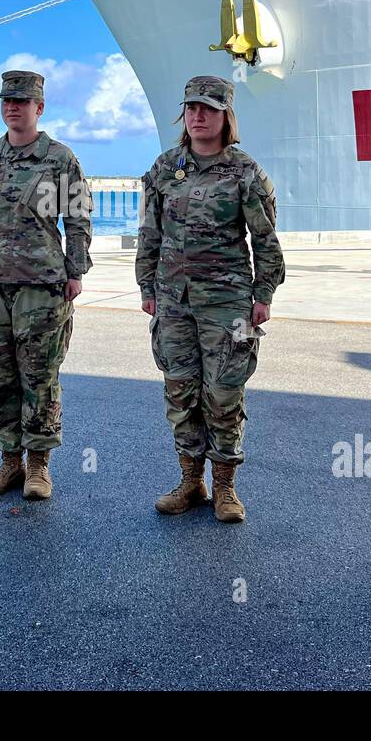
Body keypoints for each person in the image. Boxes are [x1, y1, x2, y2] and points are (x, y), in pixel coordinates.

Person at [136, 75, 285, 523]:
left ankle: (225, 488)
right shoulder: (165, 169)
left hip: (229, 303)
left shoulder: (244, 171)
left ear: (225, 116)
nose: (198, 116)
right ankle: (190, 481)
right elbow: (150, 232)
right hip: (173, 300)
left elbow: (265, 238)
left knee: (223, 393)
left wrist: (263, 293)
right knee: (180, 391)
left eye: (208, 109)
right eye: (191, 108)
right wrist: (147, 286)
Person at [0, 69, 92, 501]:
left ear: (39, 107)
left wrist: (75, 272)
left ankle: (39, 467)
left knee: (39, 375)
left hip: (42, 283)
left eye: (21, 101)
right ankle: (8, 462)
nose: (12, 107)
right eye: (6, 100)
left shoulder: (59, 159)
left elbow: (77, 220)